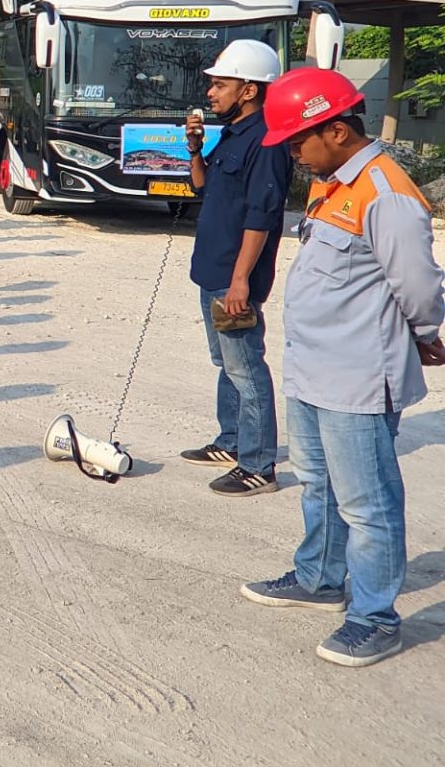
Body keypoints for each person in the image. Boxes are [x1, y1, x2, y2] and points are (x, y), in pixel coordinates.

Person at [241, 69, 445, 668]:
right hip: (311, 367)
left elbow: (419, 287)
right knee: (317, 482)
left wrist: (425, 335)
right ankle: (319, 577)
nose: (293, 154)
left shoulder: (386, 193)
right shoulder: (331, 184)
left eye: (297, 141)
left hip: (356, 376)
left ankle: (375, 617)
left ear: (335, 130)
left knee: (367, 502)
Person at [180, 40, 292, 497]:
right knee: (225, 362)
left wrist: (241, 281)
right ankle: (230, 441)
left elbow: (261, 216)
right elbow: (204, 187)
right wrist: (195, 149)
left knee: (246, 368)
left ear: (249, 90)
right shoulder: (234, 133)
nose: (211, 93)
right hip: (213, 272)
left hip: (233, 278)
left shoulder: (267, 141)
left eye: (220, 84)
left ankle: (259, 466)